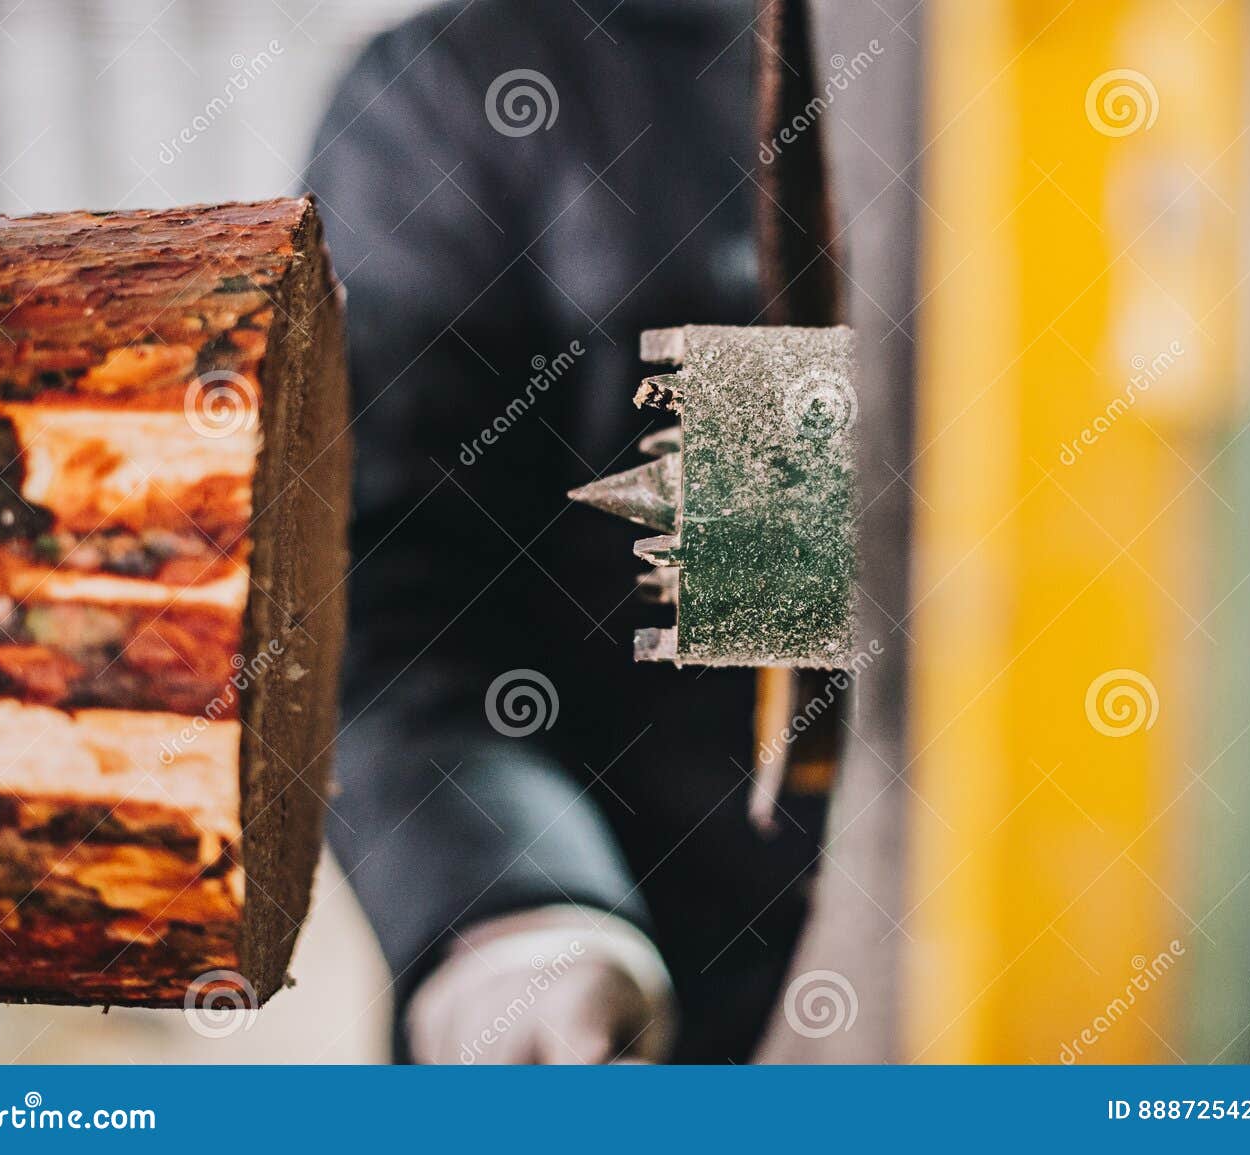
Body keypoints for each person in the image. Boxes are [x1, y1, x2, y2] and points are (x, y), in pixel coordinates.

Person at [306, 0, 827, 1063]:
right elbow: (371, 599)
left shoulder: (1085, 78)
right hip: (647, 1009)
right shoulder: (471, 92)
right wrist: (517, 911)